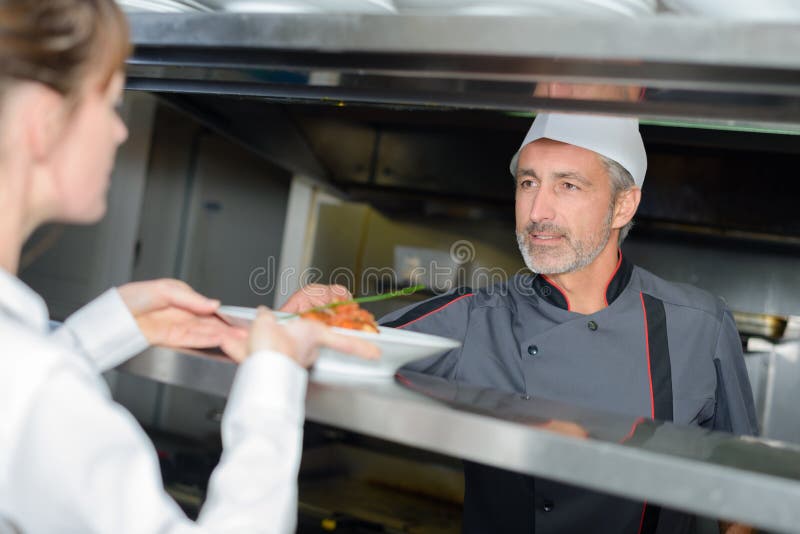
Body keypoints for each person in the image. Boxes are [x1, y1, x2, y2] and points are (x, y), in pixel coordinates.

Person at [0, 1, 377, 532]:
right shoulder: (39, 386)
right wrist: (274, 378)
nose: (119, 132)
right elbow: (29, 399)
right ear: (43, 122)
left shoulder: (25, 370)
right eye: (108, 102)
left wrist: (110, 325)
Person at [378, 112, 758, 533]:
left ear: (623, 205)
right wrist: (322, 312)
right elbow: (341, 344)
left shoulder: (700, 325)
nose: (538, 211)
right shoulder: (474, 317)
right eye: (528, 183)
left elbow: (743, 494)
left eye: (567, 185)